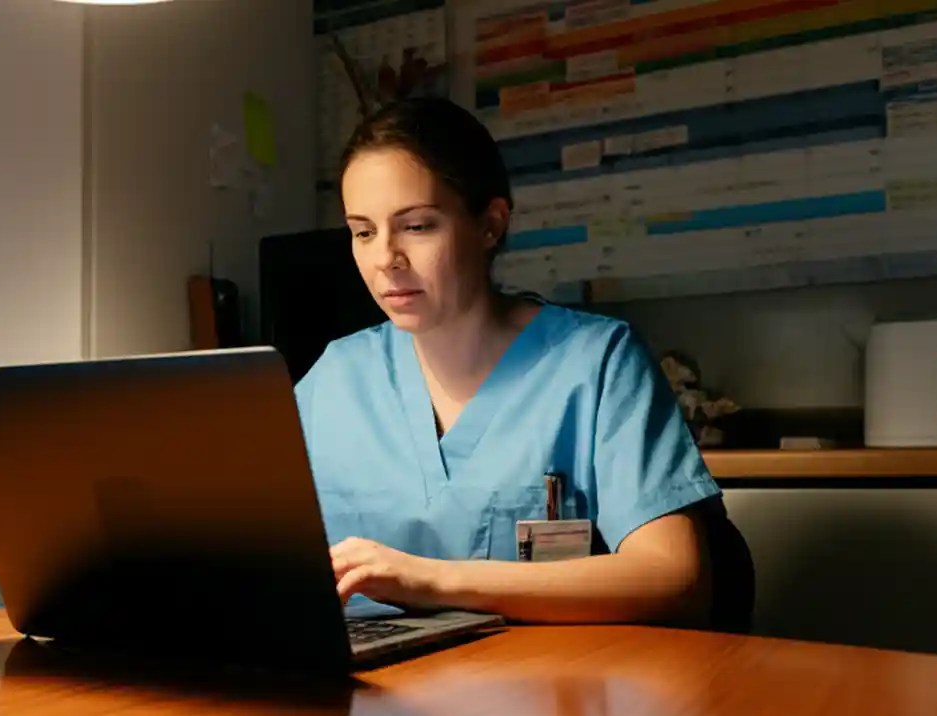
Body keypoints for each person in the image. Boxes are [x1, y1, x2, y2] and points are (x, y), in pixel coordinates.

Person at [294, 97, 725, 626]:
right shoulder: (337, 379)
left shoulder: (595, 363)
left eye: (418, 226)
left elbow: (674, 576)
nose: (385, 257)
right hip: (375, 689)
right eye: (363, 232)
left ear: (490, 225)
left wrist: (431, 579)